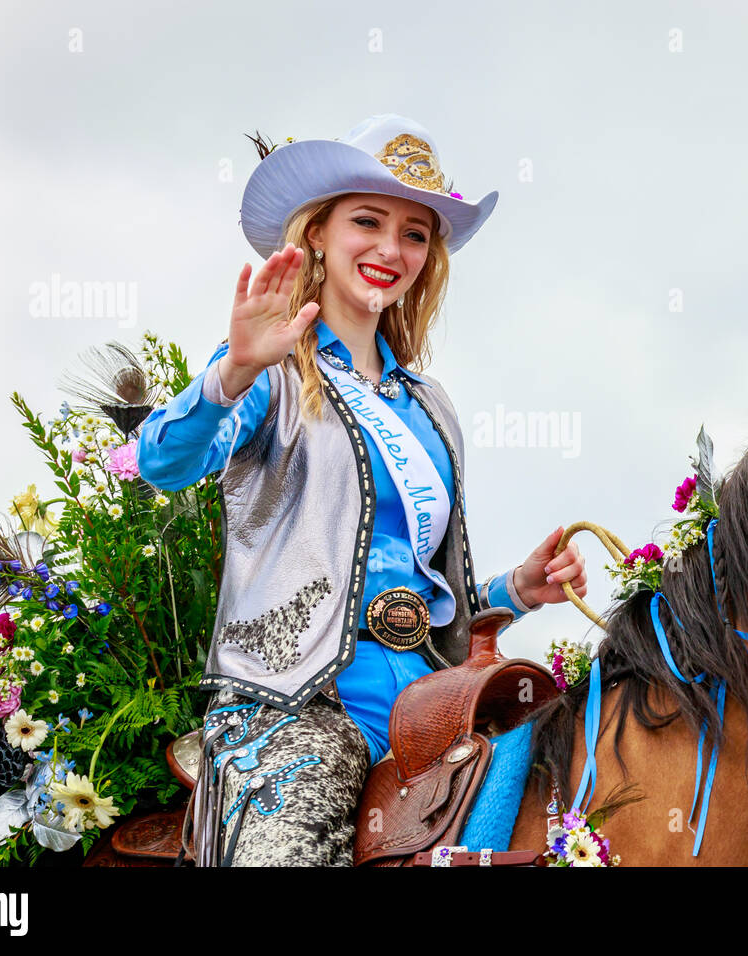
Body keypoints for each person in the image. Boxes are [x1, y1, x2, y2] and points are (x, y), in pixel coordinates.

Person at [135, 114, 587, 866]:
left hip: (429, 701)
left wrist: (517, 588)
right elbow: (163, 463)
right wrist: (233, 371)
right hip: (292, 711)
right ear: (316, 233)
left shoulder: (431, 406)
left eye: (415, 233)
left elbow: (429, 597)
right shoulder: (270, 366)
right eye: (368, 222)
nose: (390, 249)